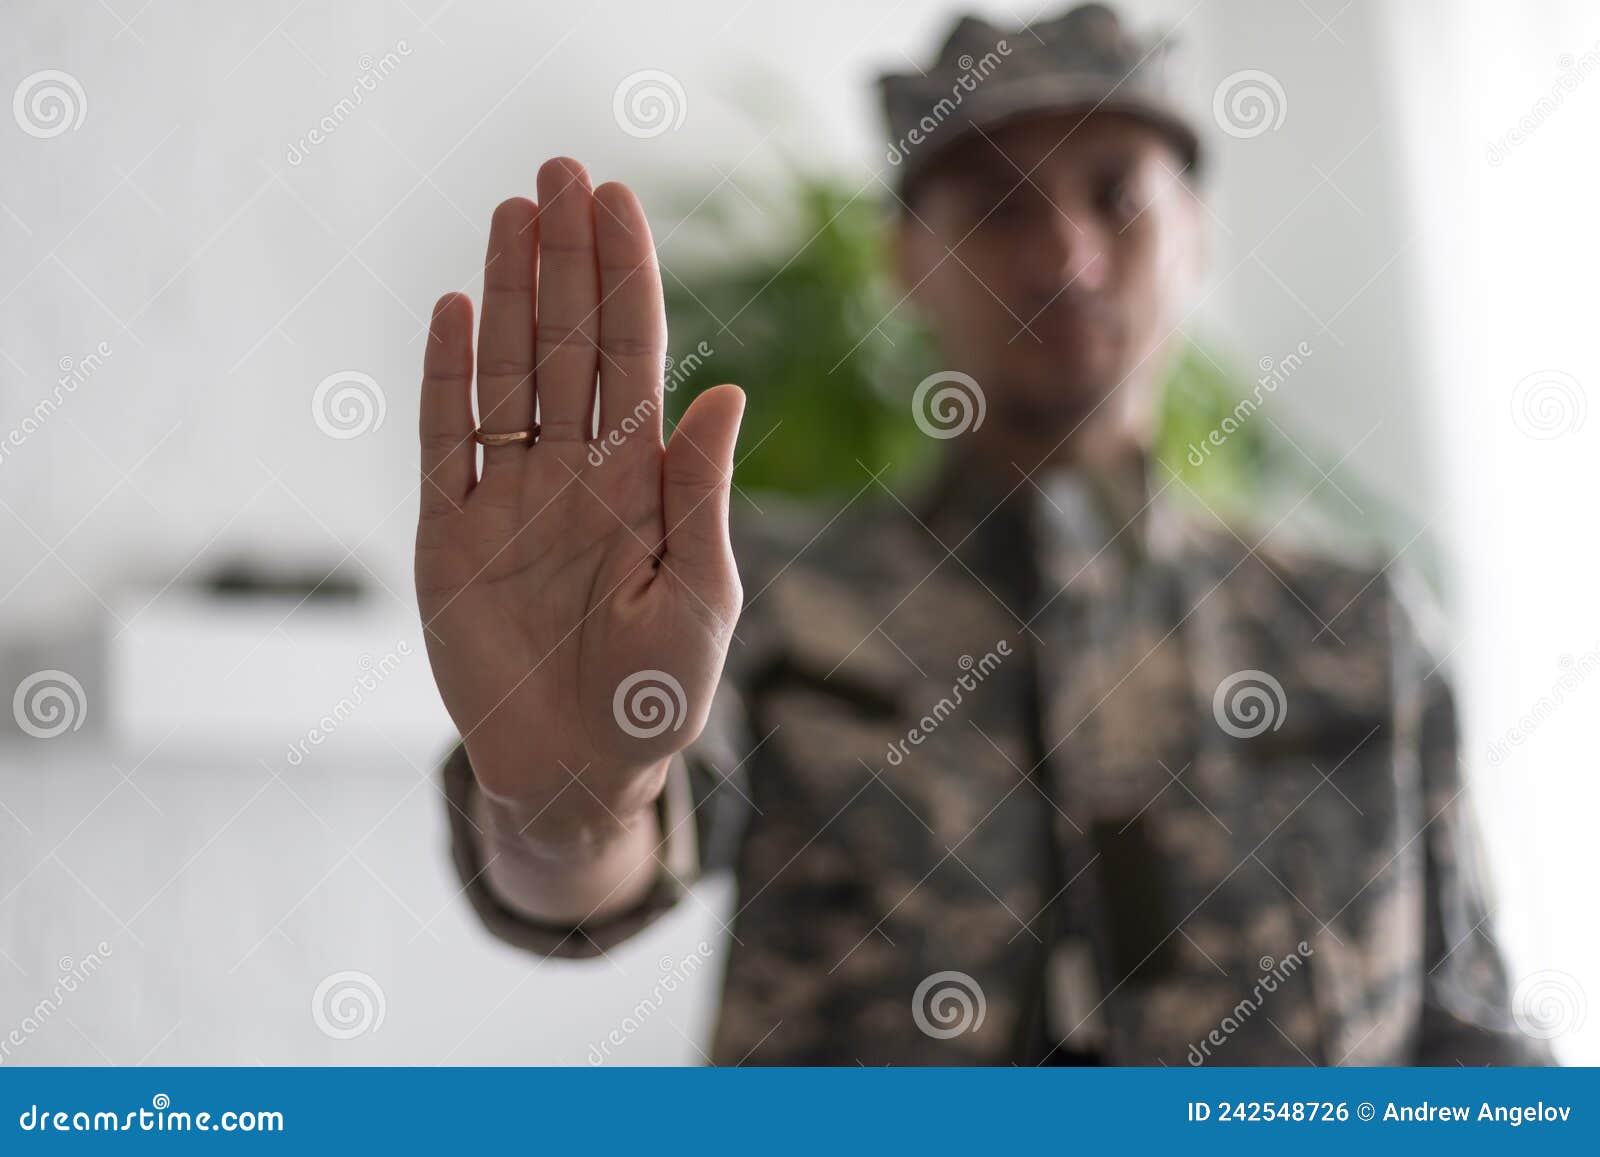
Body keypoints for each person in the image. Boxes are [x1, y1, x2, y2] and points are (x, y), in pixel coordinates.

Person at [412, 4, 1548, 1065]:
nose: (1064, 258)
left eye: (1116, 196)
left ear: (1194, 235)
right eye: (1001, 208)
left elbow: (1475, 1039)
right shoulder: (757, 591)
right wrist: (568, 802)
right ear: (909, 260)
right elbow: (590, 874)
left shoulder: (1352, 623)